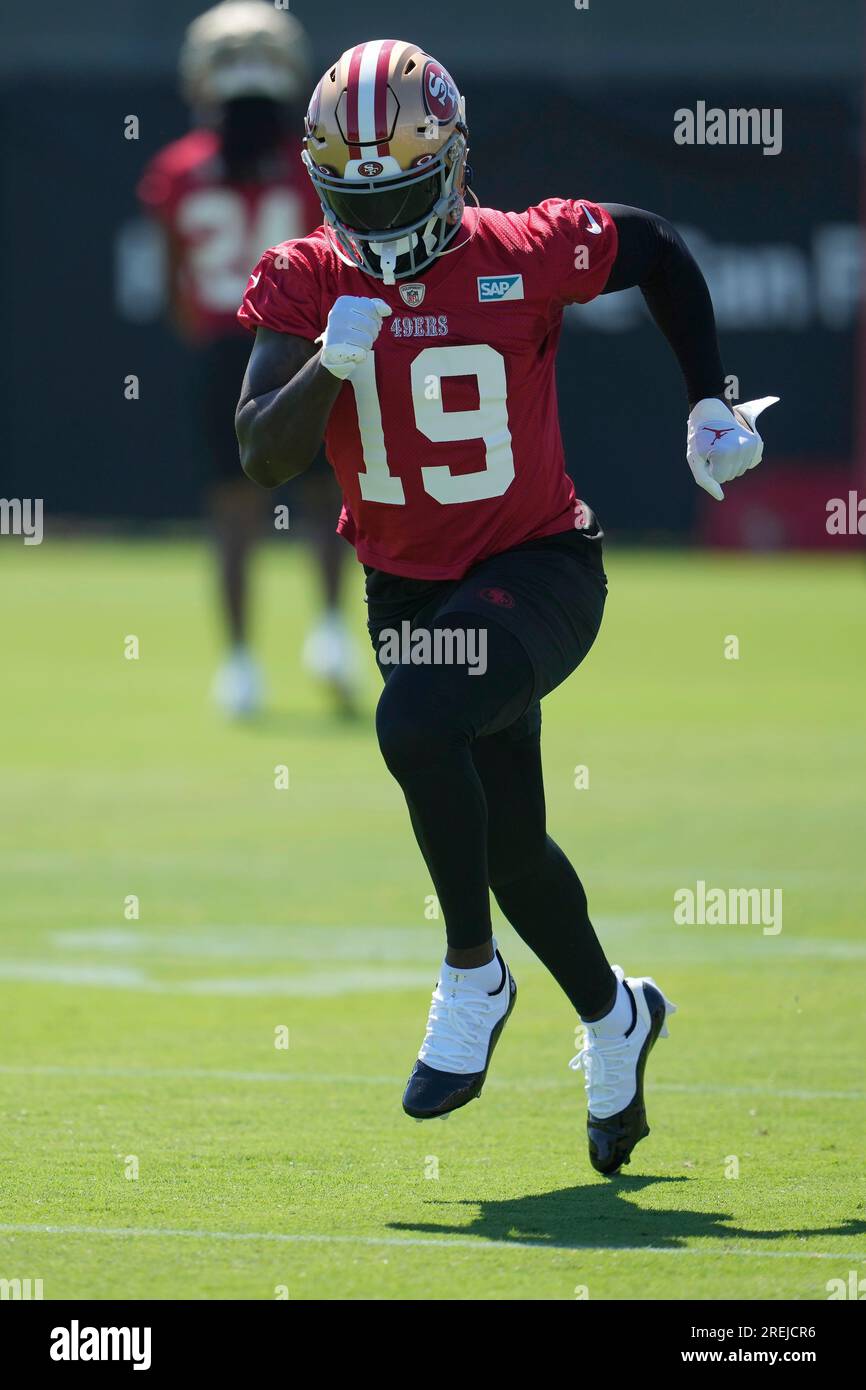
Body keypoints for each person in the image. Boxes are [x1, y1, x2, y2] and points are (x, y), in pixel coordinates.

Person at [234, 39, 778, 1173]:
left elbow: (661, 249)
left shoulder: (523, 249)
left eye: (398, 189)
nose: (376, 218)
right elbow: (258, 457)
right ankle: (615, 1017)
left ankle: (471, 973)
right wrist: (325, 369)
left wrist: (710, 401)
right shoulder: (304, 277)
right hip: (408, 587)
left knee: (414, 726)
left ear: (453, 162)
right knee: (512, 846)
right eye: (354, 195)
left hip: (539, 570)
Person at [137, 0, 358, 717]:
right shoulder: (310, 164)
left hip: (224, 348)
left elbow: (173, 290)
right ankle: (329, 631)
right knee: (328, 495)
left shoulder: (175, 170)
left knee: (233, 511)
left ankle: (239, 666)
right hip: (309, 343)